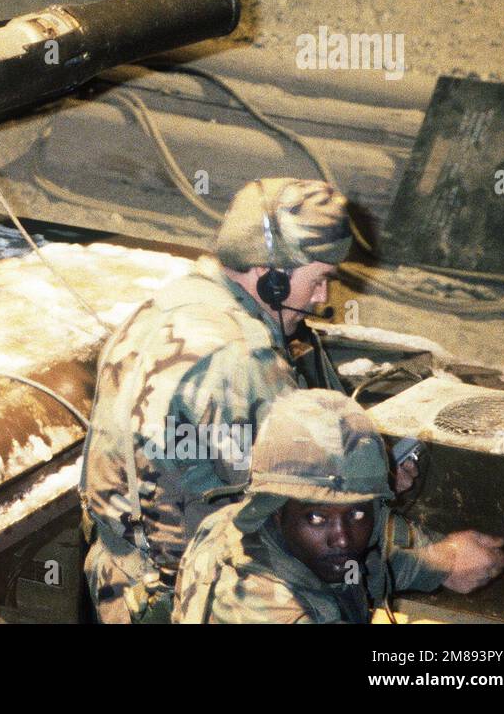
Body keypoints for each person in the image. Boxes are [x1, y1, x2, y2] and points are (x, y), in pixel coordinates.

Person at [80, 177, 355, 623]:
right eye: (319, 279)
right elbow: (304, 510)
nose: (323, 297)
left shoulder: (168, 304)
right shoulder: (241, 356)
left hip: (120, 581)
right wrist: (426, 558)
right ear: (272, 281)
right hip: (187, 600)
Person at [172, 390, 504, 623]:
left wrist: (440, 563)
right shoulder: (265, 608)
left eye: (358, 513)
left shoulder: (237, 525)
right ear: (275, 509)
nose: (343, 538)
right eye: (317, 517)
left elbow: (354, 571)